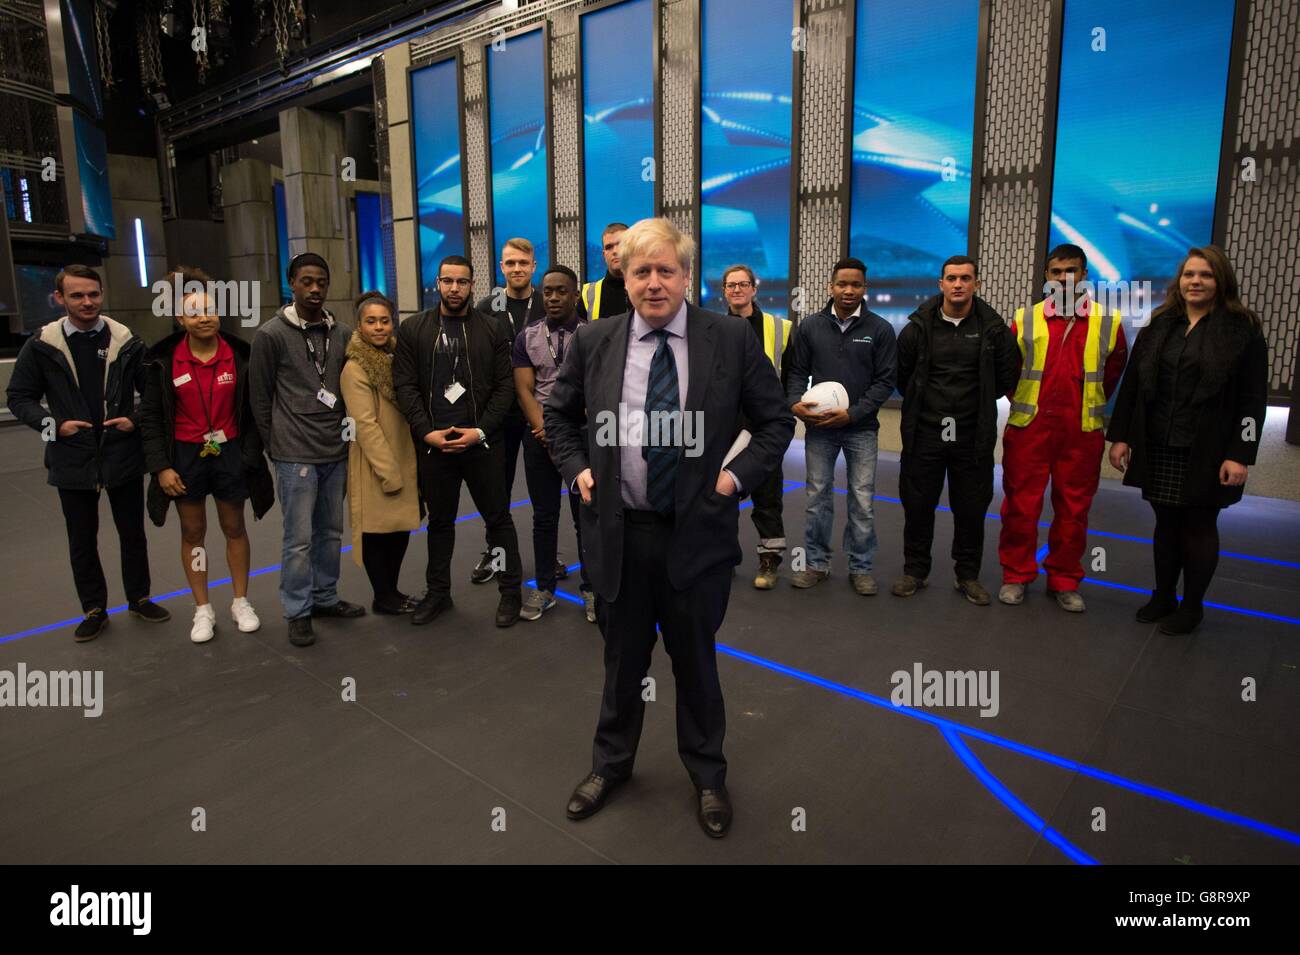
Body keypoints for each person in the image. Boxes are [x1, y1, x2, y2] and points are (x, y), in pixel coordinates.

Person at [545, 217, 794, 838]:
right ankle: (611, 766)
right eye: (640, 272)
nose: (653, 283)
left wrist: (733, 479)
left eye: (665, 271)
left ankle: (708, 775)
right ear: (622, 279)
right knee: (621, 665)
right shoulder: (595, 340)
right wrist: (577, 470)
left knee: (697, 667)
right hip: (618, 535)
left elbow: (775, 423)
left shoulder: (730, 341)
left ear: (686, 276)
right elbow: (558, 417)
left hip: (696, 536)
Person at [1107, 246, 1268, 635]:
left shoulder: (1241, 329)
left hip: (1209, 449)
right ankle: (1163, 596)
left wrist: (1240, 454)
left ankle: (1192, 607)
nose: (1195, 282)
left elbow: (1252, 398)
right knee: (1165, 523)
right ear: (1179, 281)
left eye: (1206, 275)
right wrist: (1120, 436)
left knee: (1198, 525)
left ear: (1221, 281)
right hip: (1159, 442)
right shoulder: (1160, 324)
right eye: (1189, 275)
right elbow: (1132, 386)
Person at [6, 264, 170, 640]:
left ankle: (140, 598)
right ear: (59, 298)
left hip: (122, 454)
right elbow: (19, 397)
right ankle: (94, 609)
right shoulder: (42, 346)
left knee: (133, 533)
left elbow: (155, 393)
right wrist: (54, 427)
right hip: (71, 457)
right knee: (81, 538)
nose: (87, 302)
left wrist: (133, 419)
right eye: (77, 295)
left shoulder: (126, 341)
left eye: (93, 294)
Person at [138, 266, 274, 643]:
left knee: (234, 528)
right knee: (193, 532)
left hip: (230, 452)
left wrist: (249, 453)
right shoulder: (163, 362)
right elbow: (149, 418)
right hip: (185, 456)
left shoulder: (240, 356)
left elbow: (255, 411)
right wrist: (161, 467)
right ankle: (203, 608)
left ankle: (240, 601)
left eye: (210, 310)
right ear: (180, 319)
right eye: (194, 312)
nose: (204, 317)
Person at [392, 254, 524, 628]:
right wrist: (425, 431)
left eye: (461, 282)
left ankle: (510, 593)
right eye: (447, 281)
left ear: (472, 285)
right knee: (440, 523)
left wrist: (480, 431)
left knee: (498, 519)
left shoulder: (492, 329)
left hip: (482, 443)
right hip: (435, 445)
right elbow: (404, 386)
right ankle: (438, 594)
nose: (454, 289)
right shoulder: (414, 329)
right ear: (437, 283)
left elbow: (505, 387)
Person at [999, 245, 1128, 612]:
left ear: (1084, 274)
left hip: (1081, 431)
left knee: (1074, 511)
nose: (1064, 278)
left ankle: (1065, 579)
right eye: (1056, 271)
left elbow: (1114, 372)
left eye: (1071, 270)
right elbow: (1010, 371)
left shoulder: (1108, 322)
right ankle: (1016, 574)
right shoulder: (1025, 319)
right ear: (1047, 276)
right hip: (1030, 427)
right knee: (1021, 507)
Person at [249, 251, 367, 647]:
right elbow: (260, 399)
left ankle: (325, 597)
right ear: (292, 284)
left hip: (335, 449)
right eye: (306, 282)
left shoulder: (343, 333)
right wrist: (275, 445)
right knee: (297, 538)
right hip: (294, 453)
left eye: (321, 282)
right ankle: (298, 610)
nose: (315, 289)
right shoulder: (270, 335)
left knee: (331, 532)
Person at [893, 256, 1019, 605]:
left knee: (971, 507)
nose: (958, 284)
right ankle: (915, 571)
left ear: (976, 284)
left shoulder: (994, 330)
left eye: (965, 278)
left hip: (972, 435)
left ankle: (967, 575)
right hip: (925, 433)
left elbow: (1005, 379)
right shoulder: (917, 328)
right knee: (918, 505)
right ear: (941, 284)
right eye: (952, 278)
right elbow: (903, 378)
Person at [785, 257, 897, 595]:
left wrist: (854, 413)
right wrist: (794, 404)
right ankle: (816, 563)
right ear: (831, 286)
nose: (849, 291)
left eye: (856, 285)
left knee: (862, 499)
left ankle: (861, 567)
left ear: (865, 288)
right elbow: (794, 371)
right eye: (842, 284)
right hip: (820, 427)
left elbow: (885, 380)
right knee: (817, 496)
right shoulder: (810, 326)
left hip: (861, 428)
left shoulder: (879, 329)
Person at [470, 238, 557, 586]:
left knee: (544, 494)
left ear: (533, 266)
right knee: (498, 489)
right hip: (500, 412)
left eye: (523, 262)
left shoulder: (549, 301)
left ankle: (549, 557)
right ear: (501, 267)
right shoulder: (487, 306)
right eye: (510, 263)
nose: (517, 268)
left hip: (540, 411)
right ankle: (496, 552)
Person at [513, 264, 594, 622]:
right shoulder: (527, 336)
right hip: (540, 437)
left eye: (562, 291)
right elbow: (524, 389)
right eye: (548, 291)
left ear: (575, 295)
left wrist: (565, 430)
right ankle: (545, 588)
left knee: (585, 516)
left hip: (581, 436)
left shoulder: (593, 336)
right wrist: (546, 429)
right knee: (544, 516)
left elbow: (597, 389)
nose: (554, 297)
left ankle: (592, 589)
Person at [339, 291, 421, 615]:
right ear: (359, 325)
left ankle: (392, 591)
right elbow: (364, 425)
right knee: (377, 531)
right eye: (371, 321)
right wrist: (388, 471)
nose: (378, 328)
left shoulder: (397, 358)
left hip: (403, 454)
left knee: (398, 528)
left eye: (384, 321)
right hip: (377, 462)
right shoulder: (355, 368)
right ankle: (383, 595)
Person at [721, 263, 793, 589]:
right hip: (725, 425)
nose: (737, 289)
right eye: (731, 285)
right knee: (723, 495)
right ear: (725, 291)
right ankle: (724, 559)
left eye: (742, 284)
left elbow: (791, 377)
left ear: (754, 288)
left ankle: (769, 561)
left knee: (767, 497)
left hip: (764, 424)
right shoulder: (713, 328)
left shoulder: (781, 328)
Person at [580, 222, 630, 320]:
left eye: (621, 244)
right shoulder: (588, 294)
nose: (615, 251)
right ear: (604, 255)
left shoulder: (646, 287)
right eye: (609, 247)